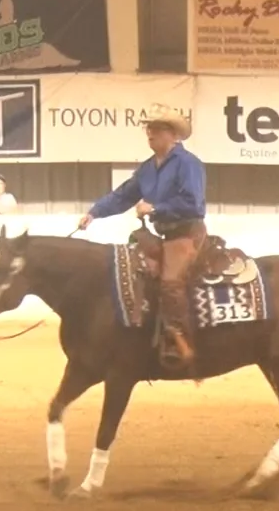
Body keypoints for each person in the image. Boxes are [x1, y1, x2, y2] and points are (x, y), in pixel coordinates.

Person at [76, 108, 206, 370]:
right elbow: (123, 196)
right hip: (164, 233)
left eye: (157, 129)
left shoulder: (188, 163)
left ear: (173, 135)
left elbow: (194, 203)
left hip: (187, 232)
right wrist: (94, 212)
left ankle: (180, 340)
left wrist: (156, 208)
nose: (151, 134)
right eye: (149, 129)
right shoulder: (148, 168)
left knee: (170, 281)